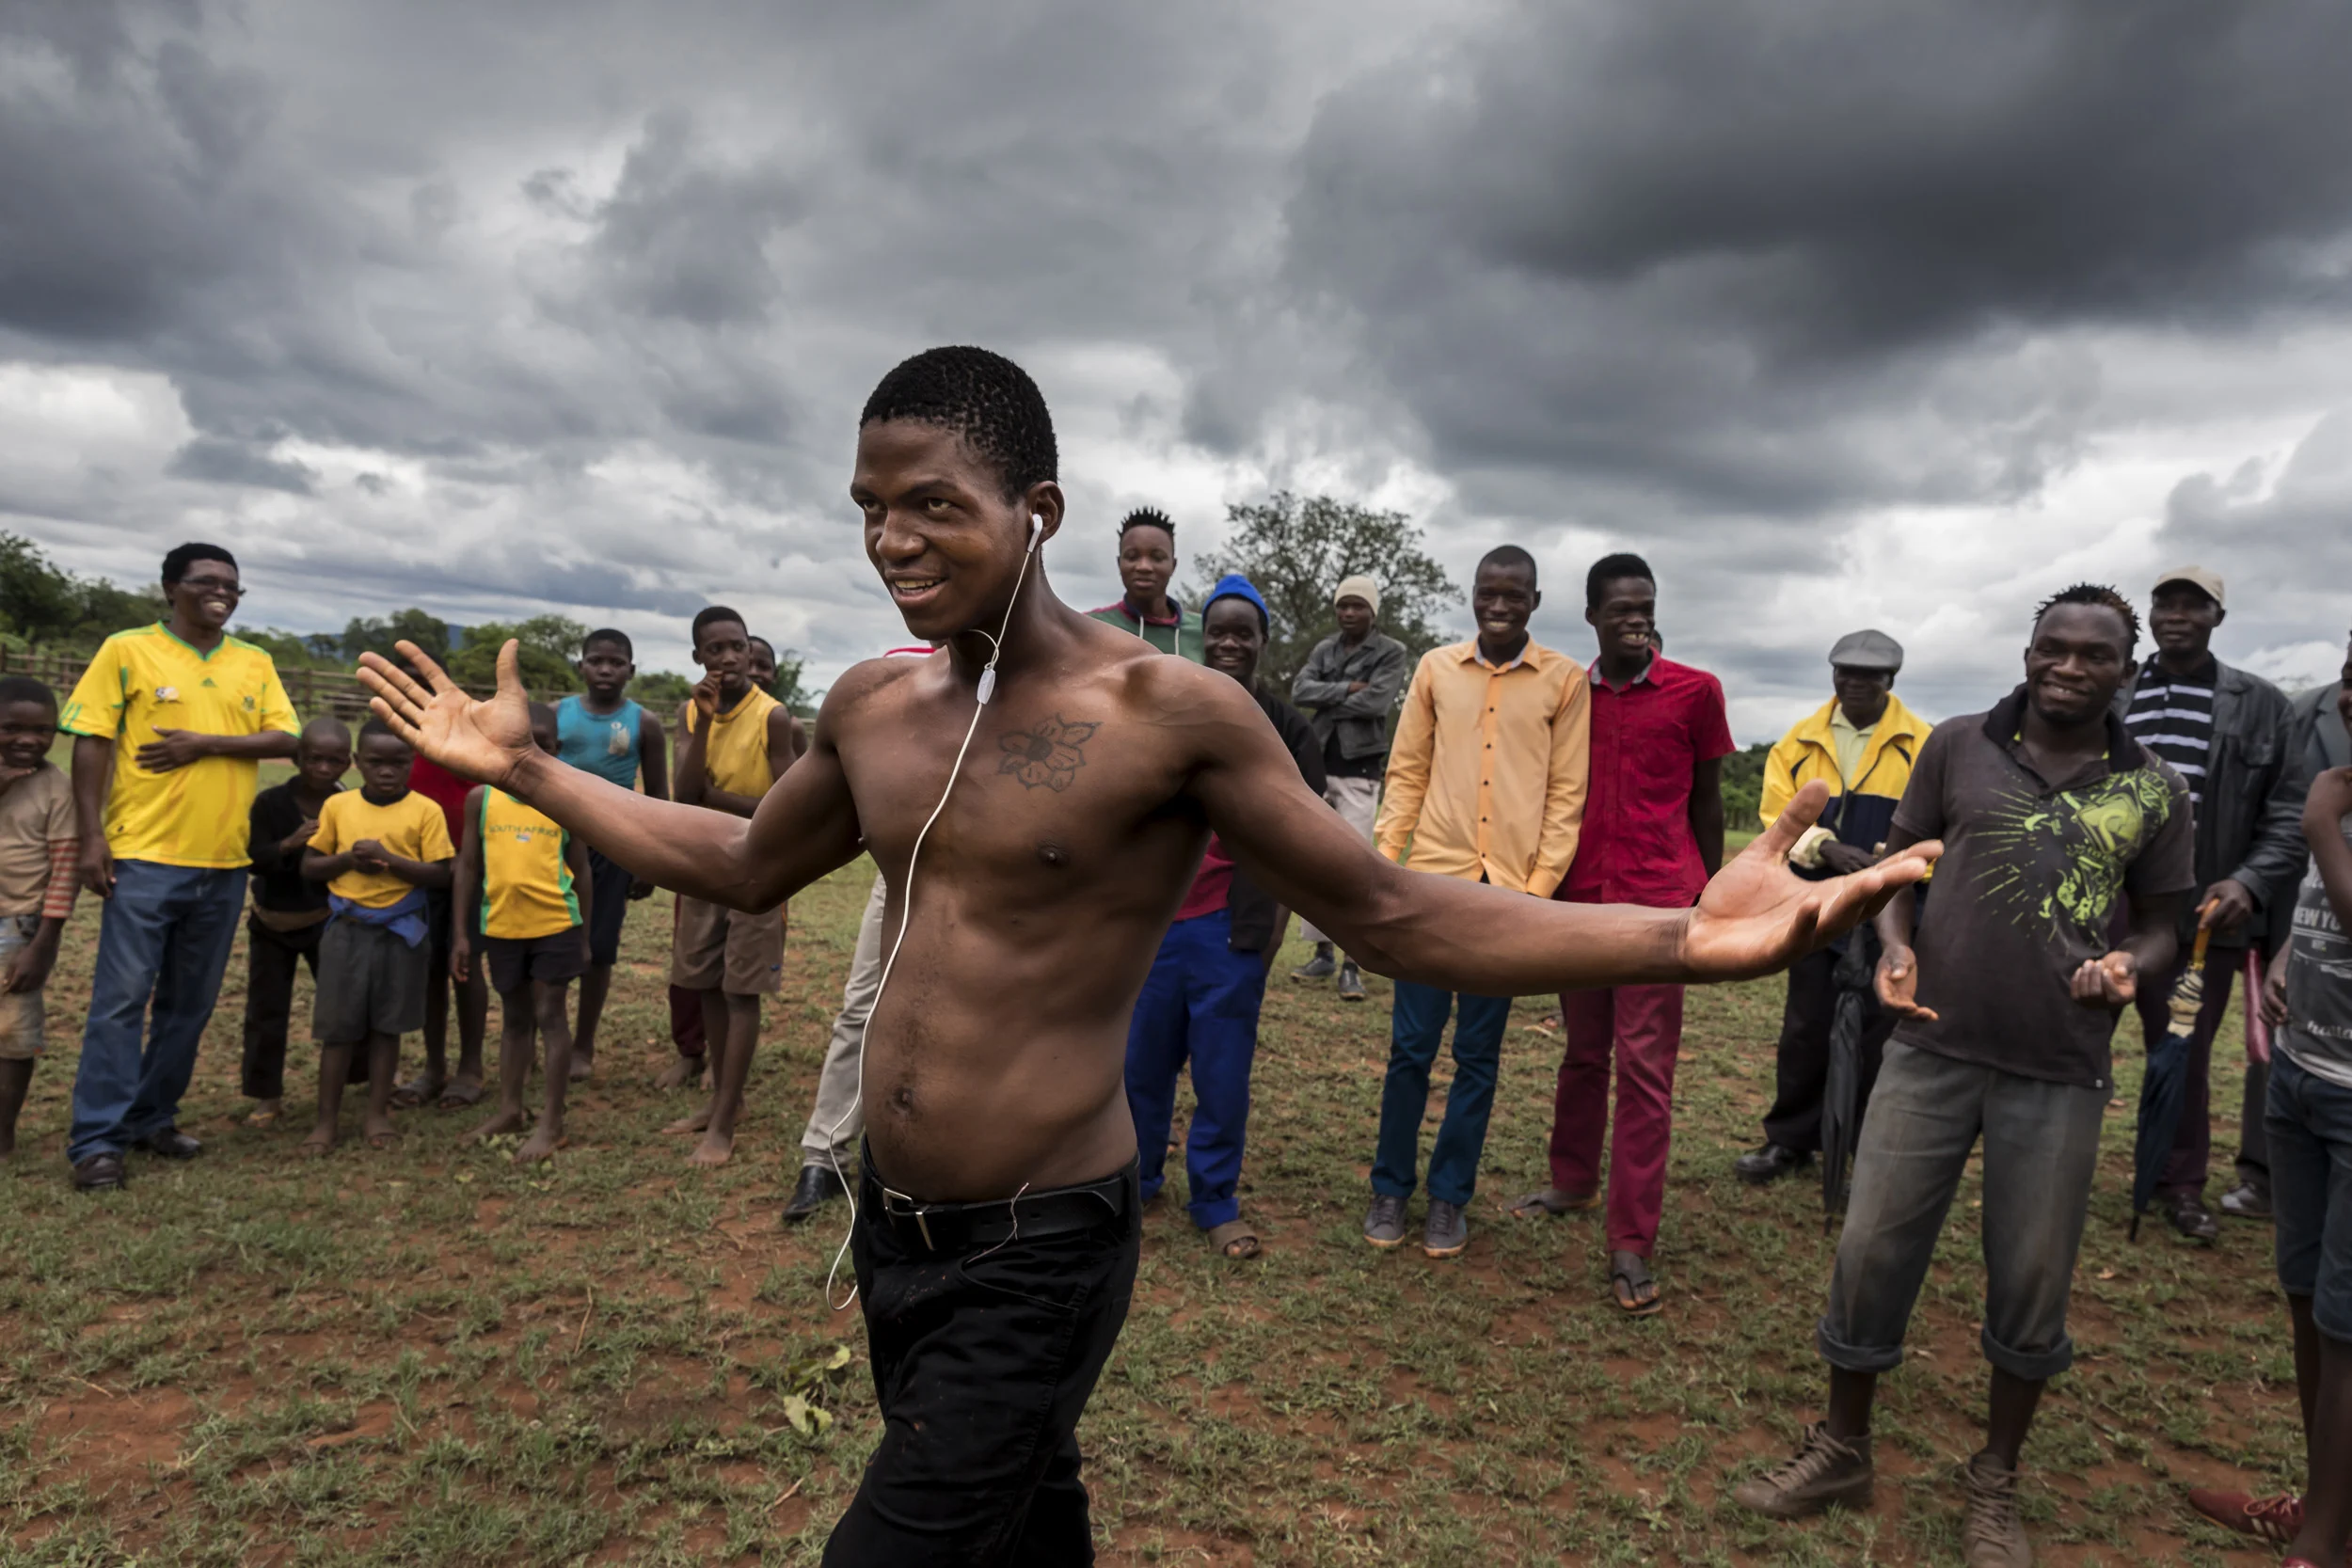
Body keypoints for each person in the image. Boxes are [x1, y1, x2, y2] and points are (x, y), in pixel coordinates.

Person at [358, 344, 1931, 1566]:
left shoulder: (1168, 714)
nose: (893, 540)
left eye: (933, 505)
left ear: (1035, 513)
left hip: (1042, 1237)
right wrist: (532, 772)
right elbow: (744, 857)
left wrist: (1688, 937)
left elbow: (1393, 912)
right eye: (869, 508)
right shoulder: (871, 705)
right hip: (892, 1226)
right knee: (1026, 1510)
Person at [1733, 584, 2191, 1568]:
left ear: (2126, 668)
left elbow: (2164, 921)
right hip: (1932, 1044)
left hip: (2057, 1063)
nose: (2068, 666)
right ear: (2027, 651)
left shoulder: (2153, 787)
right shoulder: (1956, 744)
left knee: (2030, 1278)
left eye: (2094, 654)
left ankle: (1995, 1478)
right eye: (2052, 647)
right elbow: (1901, 865)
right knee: (1869, 1252)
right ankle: (1842, 1446)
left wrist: (2129, 966)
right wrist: (1894, 947)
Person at [1516, 553, 1733, 1317]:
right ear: (1591, 618)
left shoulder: (1696, 692)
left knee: (1645, 1070)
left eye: (1646, 607)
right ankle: (1571, 1179)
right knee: (1581, 1051)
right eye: (1621, 611)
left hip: (1658, 907)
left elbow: (1708, 799)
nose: (1636, 620)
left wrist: (1711, 892)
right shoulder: (1569, 694)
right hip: (1580, 902)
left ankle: (1631, 1241)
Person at [1369, 545, 1591, 1260]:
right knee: (1409, 1049)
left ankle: (1448, 1199)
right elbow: (1406, 772)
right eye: (1487, 592)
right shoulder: (1437, 669)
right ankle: (1390, 1188)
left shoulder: (1563, 681)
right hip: (1433, 885)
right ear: (1472, 595)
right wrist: (1383, 865)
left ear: (1533, 599)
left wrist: (1536, 894)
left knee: (1477, 1056)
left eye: (1513, 594)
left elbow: (1566, 794)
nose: (1499, 605)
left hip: (1509, 898)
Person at [59, 542, 299, 1192]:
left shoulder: (254, 661)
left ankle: (152, 1117)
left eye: (233, 586)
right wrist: (91, 838)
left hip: (223, 864)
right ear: (171, 587)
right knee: (120, 1001)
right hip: (143, 856)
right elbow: (92, 740)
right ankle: (97, 1141)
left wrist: (206, 744)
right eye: (206, 581)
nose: (221, 593)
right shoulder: (127, 649)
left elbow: (285, 736)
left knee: (188, 1006)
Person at [2185, 716, 2352, 1567]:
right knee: (2306, 1301)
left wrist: (2319, 824)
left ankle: (2321, 1546)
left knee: (2348, 1327)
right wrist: (2290, 949)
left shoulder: (2333, 802)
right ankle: (2325, 1503)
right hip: (2302, 1071)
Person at [1125, 575, 1324, 1260]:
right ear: (1202, 638)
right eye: (1220, 631)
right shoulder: (1173, 712)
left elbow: (1305, 837)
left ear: (1265, 641)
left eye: (1245, 632)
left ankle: (1214, 1199)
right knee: (1139, 1065)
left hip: (1232, 929)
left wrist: (1274, 922)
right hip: (1156, 925)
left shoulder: (1290, 729)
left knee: (1221, 1073)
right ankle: (1137, 1182)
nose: (1231, 642)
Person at [2117, 565, 2307, 1241]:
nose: (2176, 614)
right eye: (2164, 602)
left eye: (2193, 605)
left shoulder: (2260, 704)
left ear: (2217, 618)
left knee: (2183, 1050)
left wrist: (2250, 881)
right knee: (2069, 1036)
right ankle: (2051, 1163)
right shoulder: (2117, 688)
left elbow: (2290, 814)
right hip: (2100, 902)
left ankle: (2179, 1185)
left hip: (2199, 912)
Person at [1736, 630, 1928, 1183]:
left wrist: (1892, 862)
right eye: (1845, 672)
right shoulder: (1801, 740)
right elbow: (1775, 815)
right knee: (1806, 1023)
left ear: (1890, 680)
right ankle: (1789, 1141)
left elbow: (1939, 822)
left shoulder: (1922, 743)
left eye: (1869, 676)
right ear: (1833, 675)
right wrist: (1824, 846)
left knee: (1876, 1028)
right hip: (1812, 900)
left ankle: (1857, 1146)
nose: (1855, 683)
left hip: (1894, 902)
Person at [785, 643, 934, 1226]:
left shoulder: (1018, 665)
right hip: (898, 870)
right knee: (864, 1006)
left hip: (992, 876)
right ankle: (824, 1153)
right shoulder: (898, 670)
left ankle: (933, 1162)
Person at [667, 605, 798, 1167]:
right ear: (698, 657)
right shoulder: (690, 713)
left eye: (736, 647)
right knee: (704, 982)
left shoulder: (773, 717)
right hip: (703, 864)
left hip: (756, 869)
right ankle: (726, 1100)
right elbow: (683, 791)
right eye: (714, 649)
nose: (726, 658)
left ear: (750, 652)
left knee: (740, 992)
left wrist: (714, 801)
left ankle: (722, 1122)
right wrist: (703, 720)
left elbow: (788, 805)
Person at [299, 719, 455, 1154]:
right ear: (358, 763)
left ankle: (376, 1114)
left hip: (400, 933)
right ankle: (326, 1121)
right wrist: (349, 860)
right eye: (376, 763)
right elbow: (310, 867)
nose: (387, 771)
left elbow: (441, 874)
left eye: (398, 762)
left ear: (412, 762)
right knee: (338, 1030)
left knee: (388, 1026)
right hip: (346, 933)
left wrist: (390, 861)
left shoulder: (425, 810)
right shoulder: (339, 807)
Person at [452, 703, 592, 1164]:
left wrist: (585, 935)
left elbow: (583, 871)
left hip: (556, 924)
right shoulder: (481, 799)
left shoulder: (567, 798)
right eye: (518, 742)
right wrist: (462, 934)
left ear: (556, 747)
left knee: (550, 1013)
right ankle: (510, 1109)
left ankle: (552, 1124)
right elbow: (468, 866)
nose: (529, 752)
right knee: (513, 1019)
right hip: (503, 925)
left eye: (542, 743)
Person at [554, 628, 668, 1082]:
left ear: (631, 671)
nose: (605, 669)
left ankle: (583, 1044)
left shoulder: (645, 723)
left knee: (598, 949)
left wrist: (648, 861)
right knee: (552, 941)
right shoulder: (554, 714)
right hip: (553, 843)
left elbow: (658, 798)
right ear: (581, 666)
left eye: (615, 662)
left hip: (611, 845)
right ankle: (551, 1035)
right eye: (596, 661)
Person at [1289, 573, 1409, 1001]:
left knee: (1356, 864)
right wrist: (1345, 689)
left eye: (1358, 605)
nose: (1349, 612)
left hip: (1360, 769)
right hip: (1318, 764)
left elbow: (1377, 701)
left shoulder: (1392, 652)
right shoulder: (1326, 649)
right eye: (1343, 605)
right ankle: (1322, 952)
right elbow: (1300, 689)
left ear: (1372, 611)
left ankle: (1352, 963)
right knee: (1315, 860)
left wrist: (1328, 697)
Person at [240, 718, 352, 1128]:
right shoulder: (271, 803)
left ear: (349, 763)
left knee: (343, 1005)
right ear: (297, 758)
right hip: (271, 922)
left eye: (334, 761)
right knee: (266, 1012)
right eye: (314, 759)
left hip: (327, 921)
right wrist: (290, 844)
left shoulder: (348, 803)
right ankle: (266, 1096)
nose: (323, 768)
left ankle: (360, 1077)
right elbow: (254, 859)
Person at [0, 677, 80, 1160]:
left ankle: (2, 1136)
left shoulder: (55, 787)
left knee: (12, 1034)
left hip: (18, 927)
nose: (27, 739)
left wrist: (45, 942)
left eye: (43, 730)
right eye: (11, 727)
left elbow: (65, 867)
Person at [400, 748, 490, 1109]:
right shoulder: (410, 741)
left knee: (466, 966)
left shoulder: (472, 745)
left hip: (472, 870)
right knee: (429, 968)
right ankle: (434, 1067)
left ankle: (470, 1068)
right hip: (421, 870)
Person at [1087, 506, 1202, 660]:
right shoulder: (1091, 627)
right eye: (1132, 556)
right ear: (1119, 563)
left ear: (1173, 565)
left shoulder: (1203, 632)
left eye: (1157, 557)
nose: (1144, 567)